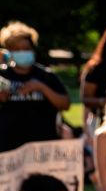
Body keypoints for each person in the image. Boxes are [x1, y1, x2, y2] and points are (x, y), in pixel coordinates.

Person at [0, 21, 70, 153]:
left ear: (33, 49)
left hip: (43, 146)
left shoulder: (46, 75)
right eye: (17, 49)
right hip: (9, 148)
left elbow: (65, 104)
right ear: (9, 51)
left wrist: (41, 87)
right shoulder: (2, 75)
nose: (22, 52)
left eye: (26, 48)